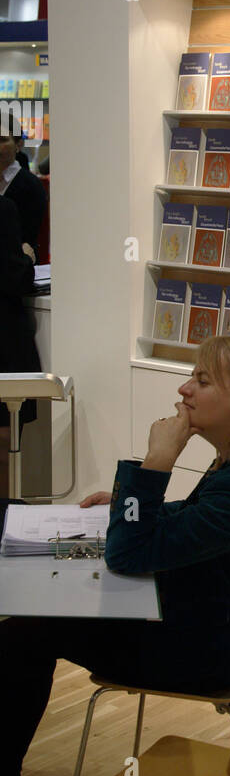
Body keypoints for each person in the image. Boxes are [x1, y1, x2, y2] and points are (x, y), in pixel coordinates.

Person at [0, 335, 230, 776]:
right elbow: (199, 521)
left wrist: (157, 463)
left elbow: (129, 555)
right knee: (31, 602)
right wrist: (131, 503)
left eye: (203, 380)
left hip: (205, 654)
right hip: (224, 628)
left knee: (22, 633)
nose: (184, 389)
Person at [0, 194, 41, 498]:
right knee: (5, 446)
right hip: (4, 343)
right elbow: (14, 276)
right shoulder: (4, 207)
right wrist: (26, 256)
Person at [0, 122, 47, 261]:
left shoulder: (32, 186)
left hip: (16, 267)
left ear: (18, 145)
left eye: (2, 140)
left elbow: (27, 240)